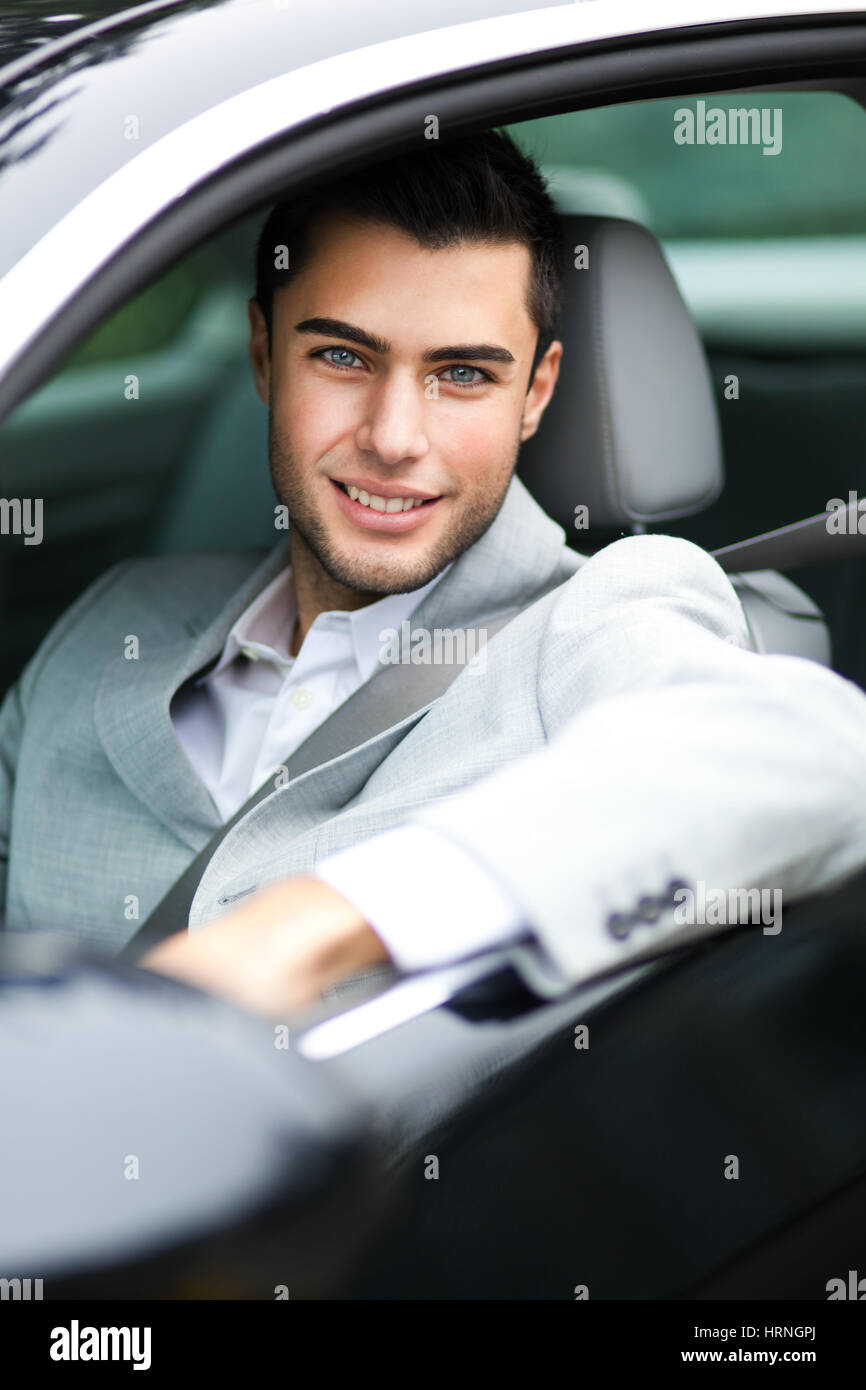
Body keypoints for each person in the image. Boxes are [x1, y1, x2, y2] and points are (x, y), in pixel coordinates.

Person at [2, 130, 866, 1018]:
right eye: (342, 356)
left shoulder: (600, 615)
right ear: (263, 354)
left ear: (535, 394)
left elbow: (818, 753)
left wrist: (315, 924)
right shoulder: (111, 625)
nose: (394, 437)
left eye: (462, 375)